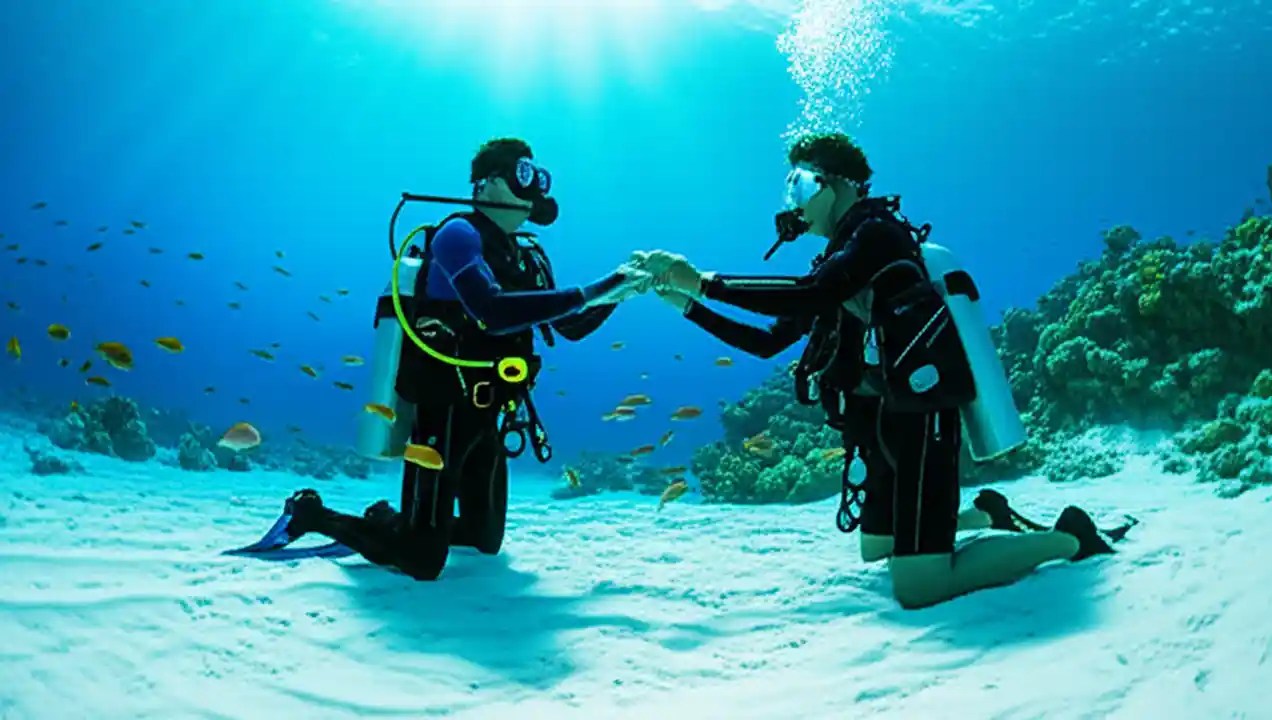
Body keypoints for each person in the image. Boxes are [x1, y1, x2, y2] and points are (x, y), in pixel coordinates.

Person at [635, 132, 1123, 609]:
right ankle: (983, 515)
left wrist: (704, 282)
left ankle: (1070, 538)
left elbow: (812, 292)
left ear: (835, 184)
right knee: (878, 549)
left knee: (918, 587)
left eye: (799, 187)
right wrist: (688, 305)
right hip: (878, 425)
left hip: (920, 416)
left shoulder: (877, 234)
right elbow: (767, 342)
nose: (794, 205)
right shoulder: (837, 260)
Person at [233, 138, 651, 580]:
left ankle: (390, 521)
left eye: (536, 177)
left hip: (493, 409)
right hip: (444, 405)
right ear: (485, 185)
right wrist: (600, 288)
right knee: (422, 561)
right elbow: (489, 310)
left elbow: (570, 326)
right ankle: (311, 514)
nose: (532, 188)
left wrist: (622, 291)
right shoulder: (457, 235)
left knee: (484, 539)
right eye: (521, 173)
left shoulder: (528, 255)